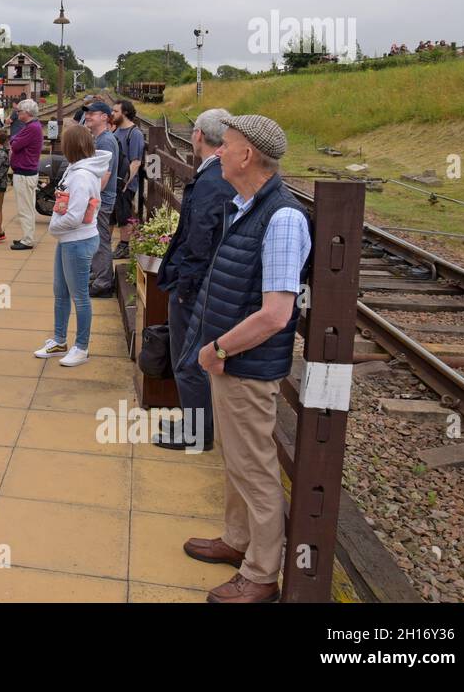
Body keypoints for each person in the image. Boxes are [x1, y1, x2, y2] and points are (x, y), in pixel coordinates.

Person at [180, 114, 311, 604]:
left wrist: (218, 349)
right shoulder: (249, 205)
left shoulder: (281, 218)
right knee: (235, 458)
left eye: (226, 144)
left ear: (246, 155)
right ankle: (238, 540)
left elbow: (276, 314)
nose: (218, 152)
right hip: (231, 360)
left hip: (246, 365)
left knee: (255, 468)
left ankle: (260, 573)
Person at [153, 108, 236, 451]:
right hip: (209, 281)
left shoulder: (211, 180)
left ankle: (197, 432)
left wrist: (184, 287)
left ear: (198, 135)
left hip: (197, 285)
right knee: (194, 355)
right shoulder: (221, 175)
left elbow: (199, 239)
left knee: (188, 357)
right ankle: (194, 422)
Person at [32, 125, 112, 366]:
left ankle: (81, 346)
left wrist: (53, 227)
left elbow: (75, 216)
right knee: (61, 292)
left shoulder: (81, 176)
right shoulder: (77, 170)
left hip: (77, 241)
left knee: (80, 297)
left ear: (71, 147)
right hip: (70, 240)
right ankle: (59, 339)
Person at [82, 102, 120, 295]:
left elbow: (105, 175)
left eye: (92, 114)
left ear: (105, 117)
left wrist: (91, 198)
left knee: (101, 240)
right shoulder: (101, 138)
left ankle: (104, 283)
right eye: (87, 113)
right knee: (97, 239)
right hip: (100, 197)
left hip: (101, 198)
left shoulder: (105, 141)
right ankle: (99, 275)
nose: (88, 116)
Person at [111, 100, 146, 258]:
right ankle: (106, 244)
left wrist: (125, 183)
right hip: (114, 182)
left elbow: (136, 162)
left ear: (125, 113)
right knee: (112, 215)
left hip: (125, 184)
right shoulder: (116, 131)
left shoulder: (135, 133)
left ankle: (124, 246)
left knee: (124, 216)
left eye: (116, 111)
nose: (113, 114)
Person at [7, 99, 42, 250]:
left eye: (19, 111)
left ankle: (27, 240)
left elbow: (14, 144)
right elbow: (14, 140)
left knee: (25, 208)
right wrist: (14, 140)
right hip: (26, 172)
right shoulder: (32, 126)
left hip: (24, 173)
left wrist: (14, 141)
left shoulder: (31, 128)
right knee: (27, 206)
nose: (17, 113)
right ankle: (27, 236)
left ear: (27, 113)